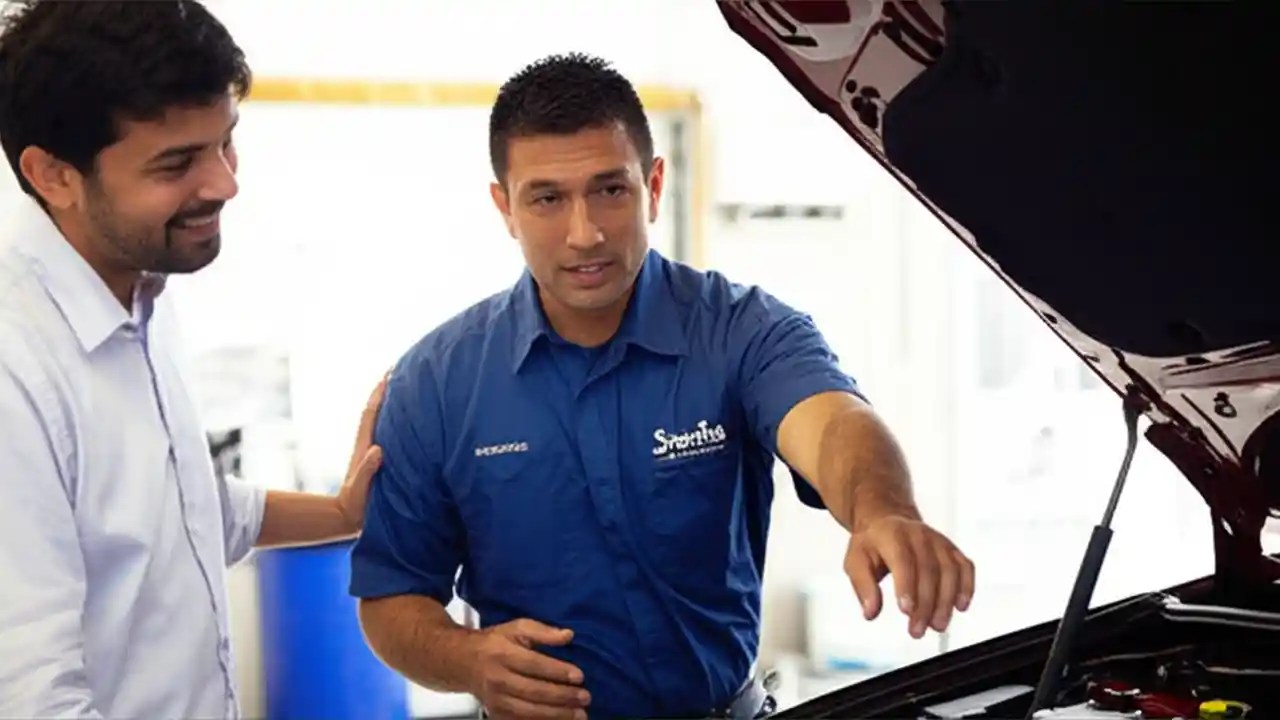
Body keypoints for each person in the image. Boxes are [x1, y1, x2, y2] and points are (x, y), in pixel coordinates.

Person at [350, 53, 976, 720]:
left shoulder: (743, 331)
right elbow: (392, 598)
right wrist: (467, 658)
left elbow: (832, 424)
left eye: (610, 190)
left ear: (653, 184)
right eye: (548, 199)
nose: (584, 233)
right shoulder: (434, 384)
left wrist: (882, 509)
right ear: (505, 205)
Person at [0, 2, 385, 718]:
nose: (224, 184)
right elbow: (33, 700)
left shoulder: (138, 289)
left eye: (225, 143)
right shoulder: (18, 367)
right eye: (177, 163)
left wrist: (341, 510)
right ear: (54, 175)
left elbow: (183, 508)